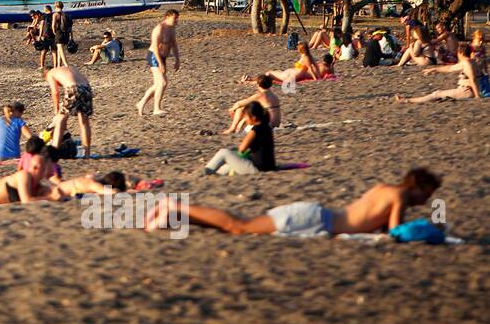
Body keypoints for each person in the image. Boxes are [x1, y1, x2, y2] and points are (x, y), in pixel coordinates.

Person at [146, 168, 442, 237]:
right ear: (419, 186)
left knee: (237, 225)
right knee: (239, 226)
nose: (427, 200)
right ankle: (175, 206)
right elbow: (394, 233)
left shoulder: (384, 188)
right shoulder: (400, 195)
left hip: (315, 215)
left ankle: (175, 216)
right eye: (428, 194)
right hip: (314, 220)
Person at [394, 43, 486, 103]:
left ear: (460, 53)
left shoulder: (466, 63)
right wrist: (434, 70)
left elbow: (473, 78)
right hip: (468, 90)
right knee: (439, 95)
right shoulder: (472, 61)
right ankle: (408, 99)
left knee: (437, 94)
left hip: (467, 91)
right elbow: (450, 68)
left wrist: (477, 96)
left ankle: (406, 100)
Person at [205, 101, 276, 175]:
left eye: (246, 116)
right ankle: (213, 174)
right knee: (227, 166)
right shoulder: (267, 127)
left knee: (224, 152)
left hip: (257, 169)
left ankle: (207, 171)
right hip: (268, 167)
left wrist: (234, 151)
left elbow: (242, 149)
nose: (245, 119)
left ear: (254, 117)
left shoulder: (255, 130)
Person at [136, 9, 181, 116]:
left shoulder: (172, 29)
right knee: (162, 83)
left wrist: (177, 59)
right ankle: (156, 108)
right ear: (167, 17)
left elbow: (174, 44)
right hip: (154, 56)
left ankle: (141, 103)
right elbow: (155, 48)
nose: (176, 21)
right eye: (174, 18)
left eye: (177, 19)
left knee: (158, 85)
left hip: (163, 57)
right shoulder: (159, 29)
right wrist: (160, 63)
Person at [47, 63, 94, 155]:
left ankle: (54, 151)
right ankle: (87, 153)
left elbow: (55, 92)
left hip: (73, 88)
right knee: (84, 122)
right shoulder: (69, 68)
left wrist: (56, 109)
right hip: (87, 88)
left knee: (60, 119)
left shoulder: (50, 73)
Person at [50, 2, 74, 66]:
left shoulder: (55, 14)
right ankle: (58, 66)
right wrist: (72, 36)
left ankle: (66, 64)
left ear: (55, 6)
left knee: (61, 49)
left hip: (59, 33)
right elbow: (70, 26)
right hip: (66, 33)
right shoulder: (65, 14)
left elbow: (53, 25)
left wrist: (54, 31)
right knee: (59, 50)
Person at [36, 6, 57, 72]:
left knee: (43, 51)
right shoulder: (54, 15)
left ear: (46, 9)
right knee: (54, 51)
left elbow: (42, 25)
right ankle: (56, 66)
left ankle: (42, 65)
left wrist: (40, 35)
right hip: (54, 35)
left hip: (46, 35)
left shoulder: (44, 16)